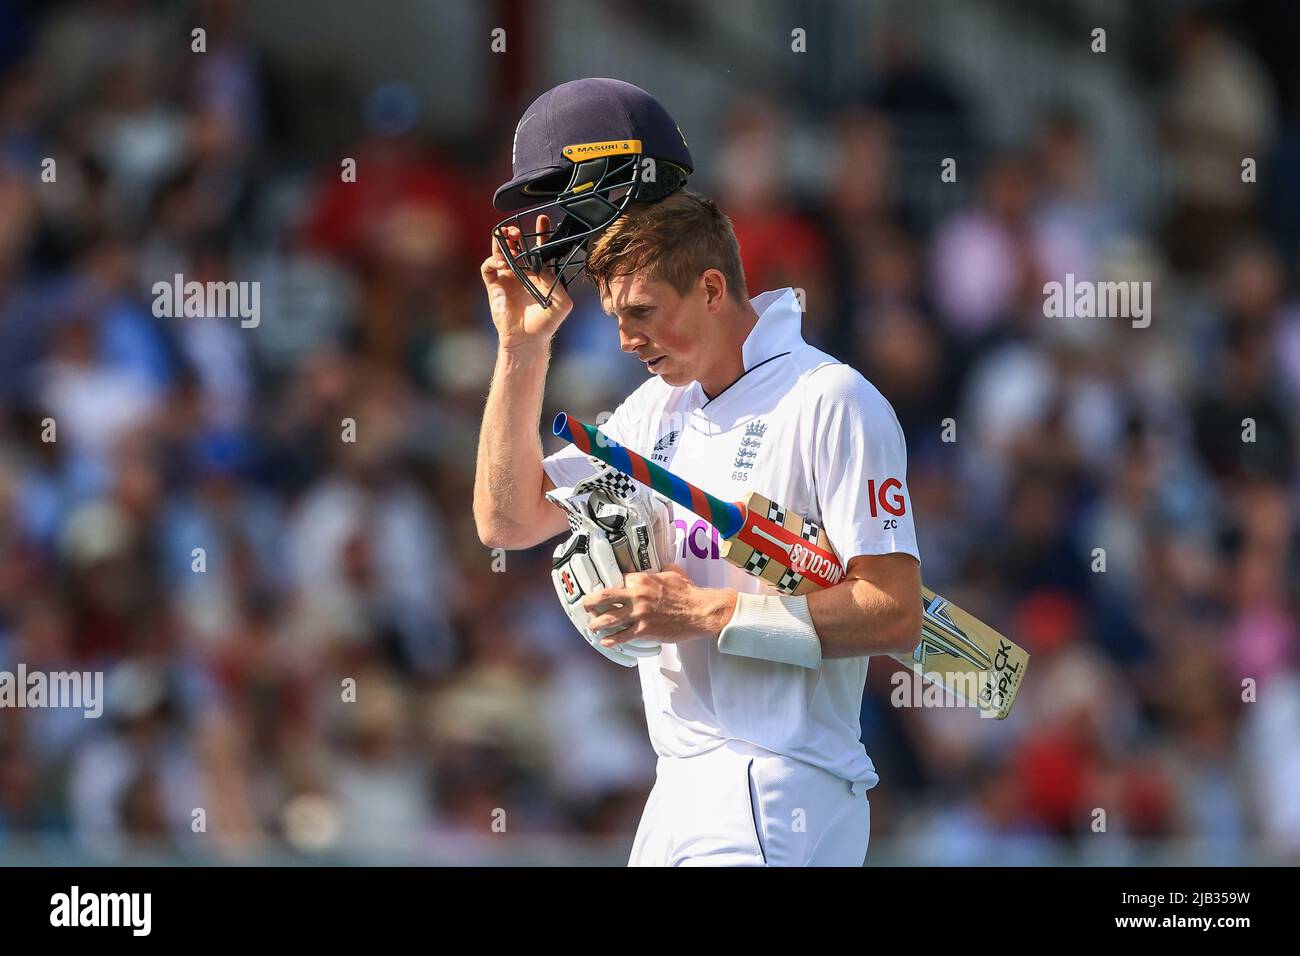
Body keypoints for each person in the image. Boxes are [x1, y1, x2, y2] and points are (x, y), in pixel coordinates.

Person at [474, 79, 921, 867]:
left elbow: (893, 612)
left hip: (780, 784)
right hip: (678, 787)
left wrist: (705, 612)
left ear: (713, 288)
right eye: (615, 319)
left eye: (641, 315)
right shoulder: (652, 414)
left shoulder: (831, 399)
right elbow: (507, 523)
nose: (624, 341)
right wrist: (521, 350)